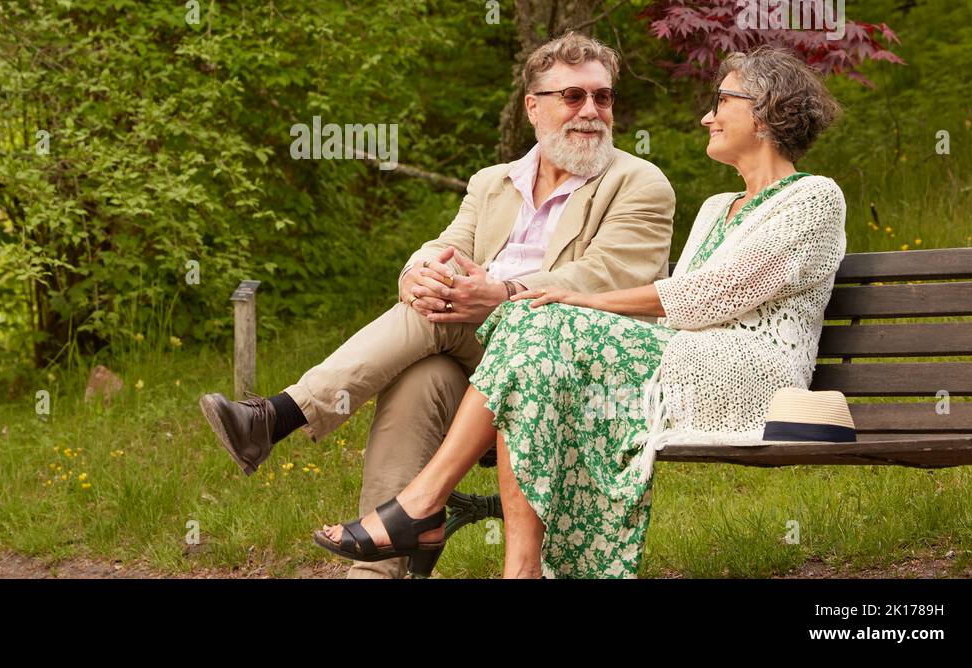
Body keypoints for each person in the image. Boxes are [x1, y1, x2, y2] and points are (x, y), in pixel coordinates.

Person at [312, 44, 847, 578]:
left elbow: (712, 296)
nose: (707, 115)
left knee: (536, 319)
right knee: (533, 335)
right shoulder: (714, 208)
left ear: (765, 110)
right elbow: (679, 313)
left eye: (721, 101)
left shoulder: (814, 197)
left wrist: (581, 301)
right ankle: (515, 568)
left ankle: (421, 505)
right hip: (683, 363)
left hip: (753, 380)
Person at [200, 32, 676, 577]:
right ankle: (377, 568)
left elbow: (603, 279)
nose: (592, 110)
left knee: (440, 326)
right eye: (573, 96)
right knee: (422, 371)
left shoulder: (640, 183)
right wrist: (417, 273)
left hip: (572, 363)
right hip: (490, 355)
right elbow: (447, 244)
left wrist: (498, 295)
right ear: (533, 107)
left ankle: (280, 416)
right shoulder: (494, 182)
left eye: (603, 97)